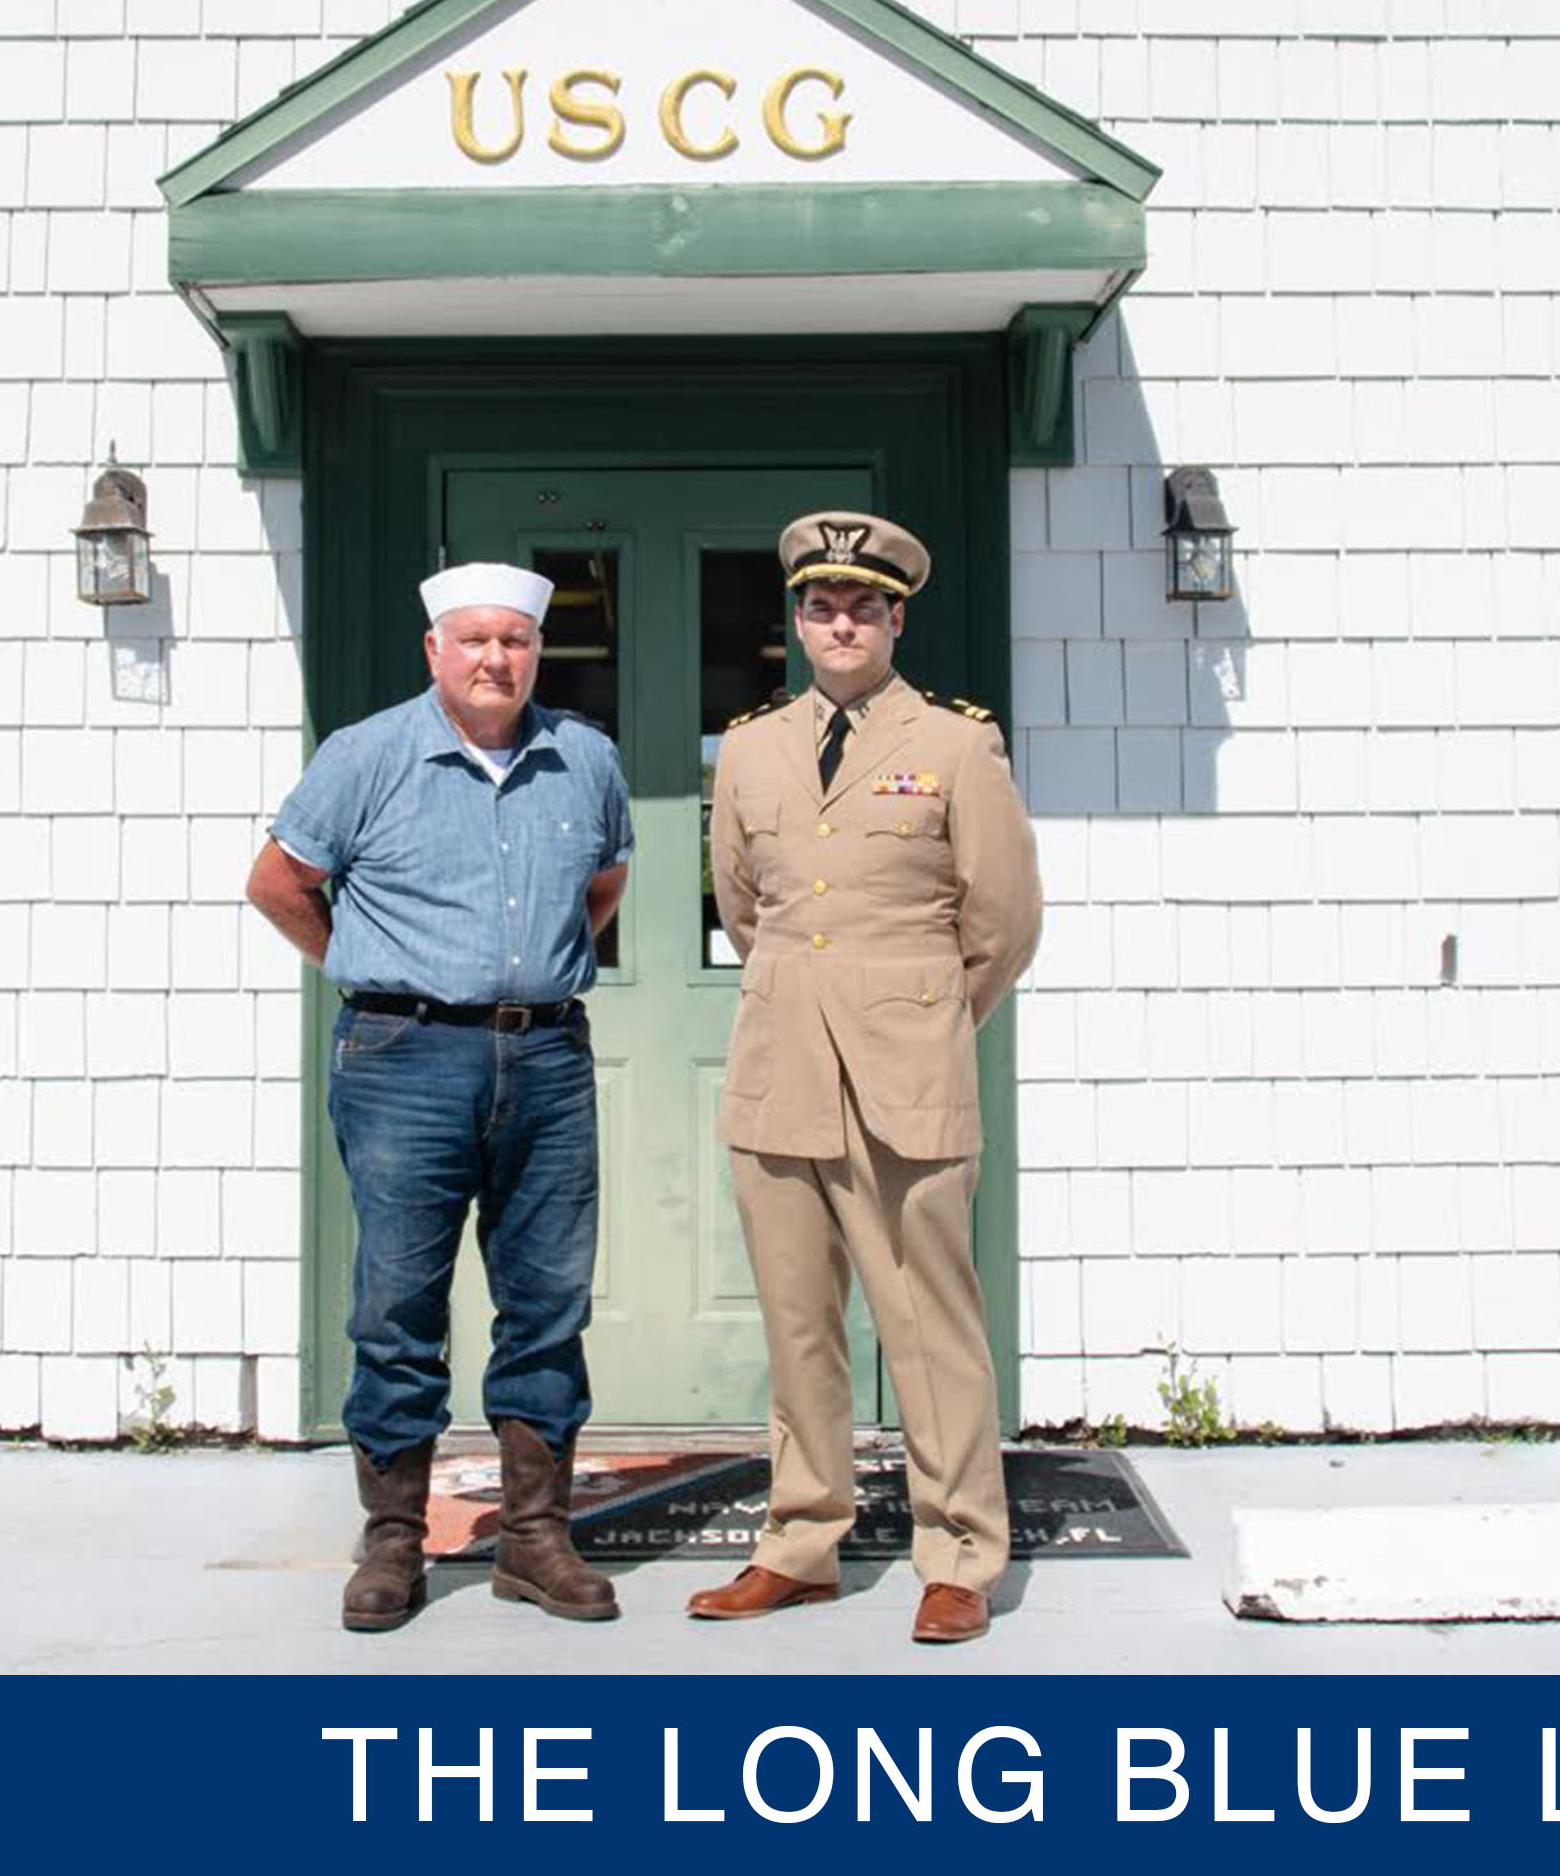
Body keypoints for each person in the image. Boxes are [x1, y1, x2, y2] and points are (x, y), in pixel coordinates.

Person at [243, 561, 633, 1634]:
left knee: (549, 1299)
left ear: (536, 652)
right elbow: (279, 880)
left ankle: (534, 1536)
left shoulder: (584, 759)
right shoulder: (364, 756)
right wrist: (366, 964)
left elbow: (604, 884)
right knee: (398, 1302)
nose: (495, 659)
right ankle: (394, 1536)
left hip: (547, 1061)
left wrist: (526, 972)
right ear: (434, 650)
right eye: (474, 641)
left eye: (514, 640)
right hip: (403, 1056)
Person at [688, 511, 1043, 1645]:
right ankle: (801, 1541)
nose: (839, 624)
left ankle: (959, 1551)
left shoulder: (956, 744)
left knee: (929, 1323)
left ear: (898, 617)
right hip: (779, 1063)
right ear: (796, 619)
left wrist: (925, 1015)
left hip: (907, 1073)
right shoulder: (747, 747)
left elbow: (1003, 922)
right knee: (798, 1325)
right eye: (819, 606)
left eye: (862, 606)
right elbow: (747, 908)